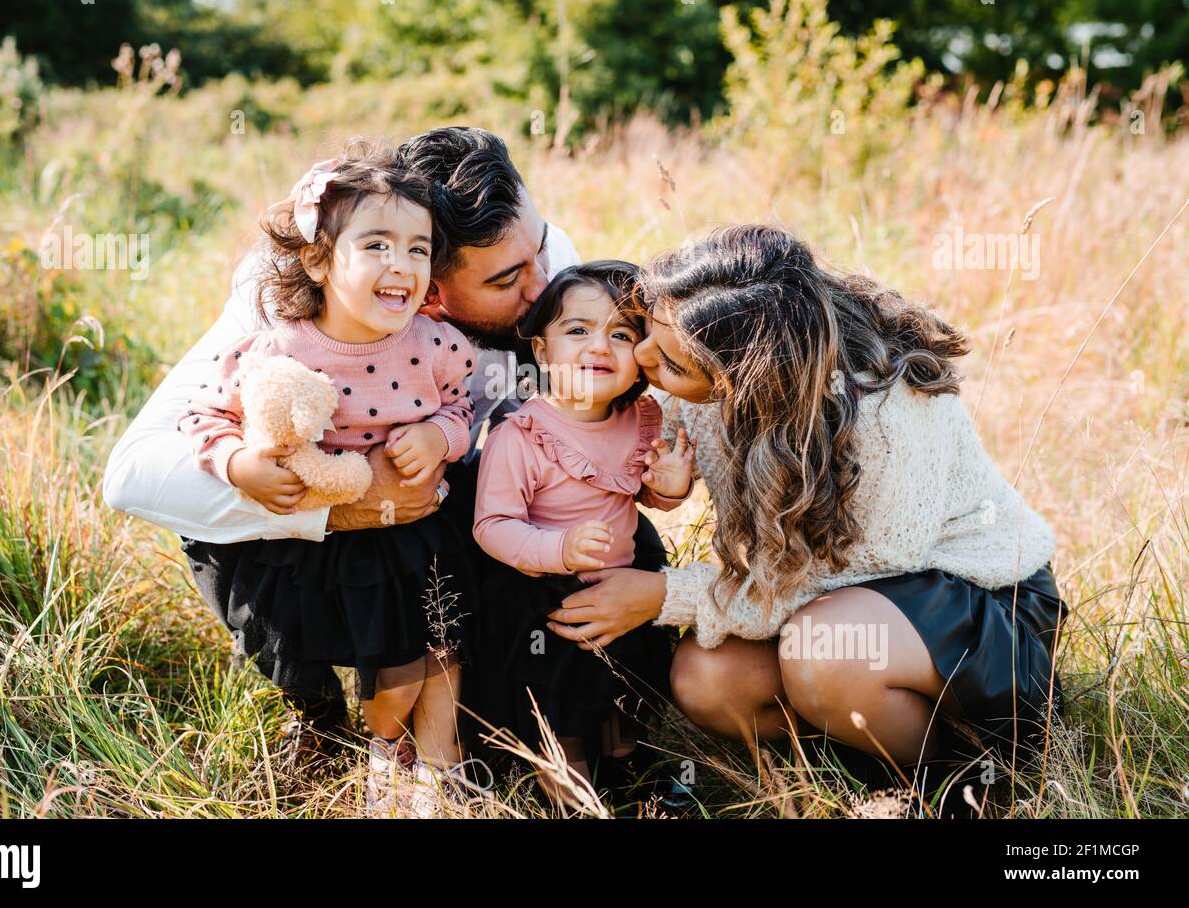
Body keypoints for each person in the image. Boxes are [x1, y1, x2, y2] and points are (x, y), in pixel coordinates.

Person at [549, 224, 1068, 771]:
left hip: (977, 601)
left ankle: (961, 780)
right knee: (708, 678)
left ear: (749, 380)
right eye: (650, 328)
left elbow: (844, 572)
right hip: (840, 614)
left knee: (823, 651)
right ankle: (857, 761)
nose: (646, 360)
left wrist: (662, 594)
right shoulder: (708, 351)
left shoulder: (885, 411)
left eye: (673, 366)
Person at [178, 142, 478, 815]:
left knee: (421, 661)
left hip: (410, 540)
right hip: (313, 543)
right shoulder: (279, 347)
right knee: (309, 650)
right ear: (318, 259)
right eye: (376, 245)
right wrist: (238, 463)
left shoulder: (435, 344)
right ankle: (322, 728)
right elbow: (205, 416)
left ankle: (421, 765)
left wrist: (440, 436)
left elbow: (465, 407)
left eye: (417, 249)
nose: (400, 264)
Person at [471, 262, 694, 808]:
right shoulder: (520, 436)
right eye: (578, 330)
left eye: (621, 334)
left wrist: (670, 487)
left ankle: (632, 777)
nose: (600, 346)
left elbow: (641, 494)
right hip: (545, 596)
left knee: (623, 690)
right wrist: (559, 549)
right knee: (561, 702)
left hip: (624, 581)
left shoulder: (641, 418)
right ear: (542, 353)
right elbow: (492, 526)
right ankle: (573, 795)